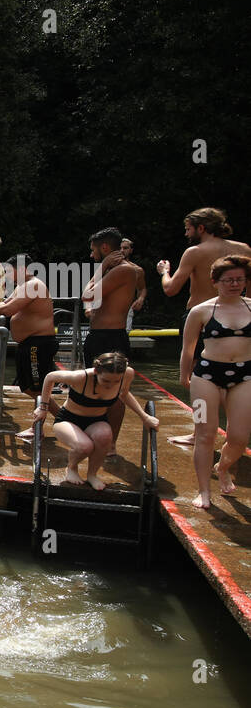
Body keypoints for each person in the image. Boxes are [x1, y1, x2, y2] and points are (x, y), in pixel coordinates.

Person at [159, 208, 251, 445]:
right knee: (240, 380)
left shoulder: (195, 251)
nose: (186, 232)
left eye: (188, 228)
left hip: (201, 317)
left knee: (197, 378)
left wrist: (164, 272)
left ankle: (196, 430)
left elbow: (171, 289)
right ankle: (234, 434)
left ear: (201, 228)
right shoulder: (244, 250)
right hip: (241, 317)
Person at [180, 255, 251, 508]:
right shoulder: (201, 311)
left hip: (245, 375)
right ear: (215, 282)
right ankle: (204, 491)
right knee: (204, 434)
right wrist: (184, 375)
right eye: (228, 280)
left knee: (240, 437)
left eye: (239, 279)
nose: (234, 284)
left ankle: (223, 467)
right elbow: (188, 348)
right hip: (206, 376)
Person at [32, 351, 158, 490]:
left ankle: (92, 474)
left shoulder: (127, 374)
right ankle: (72, 468)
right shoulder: (81, 377)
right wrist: (43, 407)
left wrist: (144, 417)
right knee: (85, 447)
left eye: (116, 381)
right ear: (97, 371)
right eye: (106, 381)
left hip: (97, 419)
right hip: (68, 419)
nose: (110, 385)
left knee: (105, 436)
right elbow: (50, 377)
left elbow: (124, 394)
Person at [80, 228, 144, 446]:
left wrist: (102, 266)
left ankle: (111, 444)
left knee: (114, 393)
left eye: (93, 250)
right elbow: (90, 298)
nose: (91, 255)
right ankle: (99, 436)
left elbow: (87, 294)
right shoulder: (112, 271)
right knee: (95, 388)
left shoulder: (123, 270)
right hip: (99, 335)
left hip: (111, 337)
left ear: (105, 248)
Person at [0, 256, 59, 437]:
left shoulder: (33, 285)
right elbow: (4, 303)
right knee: (28, 387)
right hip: (29, 344)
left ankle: (56, 420)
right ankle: (57, 418)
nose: (6, 275)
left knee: (37, 388)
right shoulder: (23, 285)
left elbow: (8, 310)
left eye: (9, 271)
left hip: (38, 343)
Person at [121, 238, 146, 332]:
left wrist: (140, 299)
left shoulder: (137, 270)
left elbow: (142, 288)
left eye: (125, 248)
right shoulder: (107, 266)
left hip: (126, 310)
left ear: (131, 250)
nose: (122, 250)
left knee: (121, 343)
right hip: (106, 309)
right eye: (120, 248)